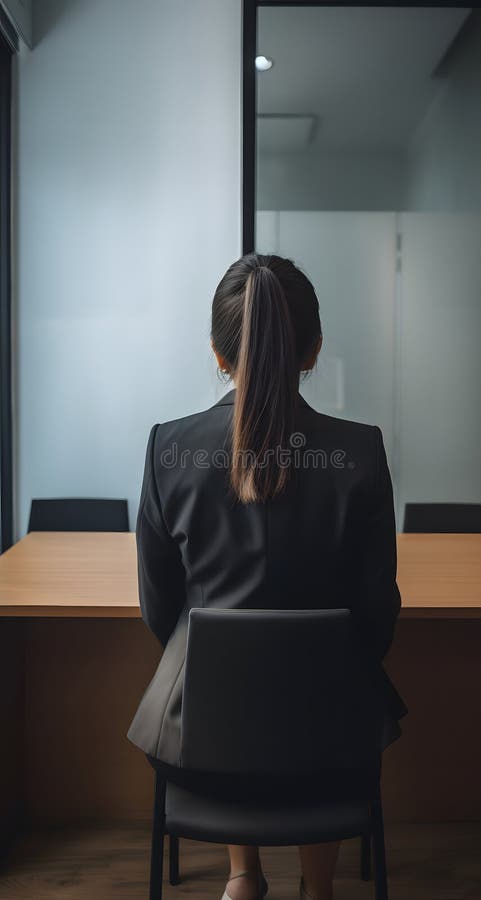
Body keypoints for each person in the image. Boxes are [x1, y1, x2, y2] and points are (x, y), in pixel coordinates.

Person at [127, 253, 407, 900]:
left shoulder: (170, 449)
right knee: (332, 692)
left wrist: (228, 665)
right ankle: (319, 889)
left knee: (212, 668)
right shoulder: (359, 453)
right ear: (311, 351)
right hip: (331, 748)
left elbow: (159, 609)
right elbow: (376, 614)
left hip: (204, 750)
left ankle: (242, 877)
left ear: (218, 355)